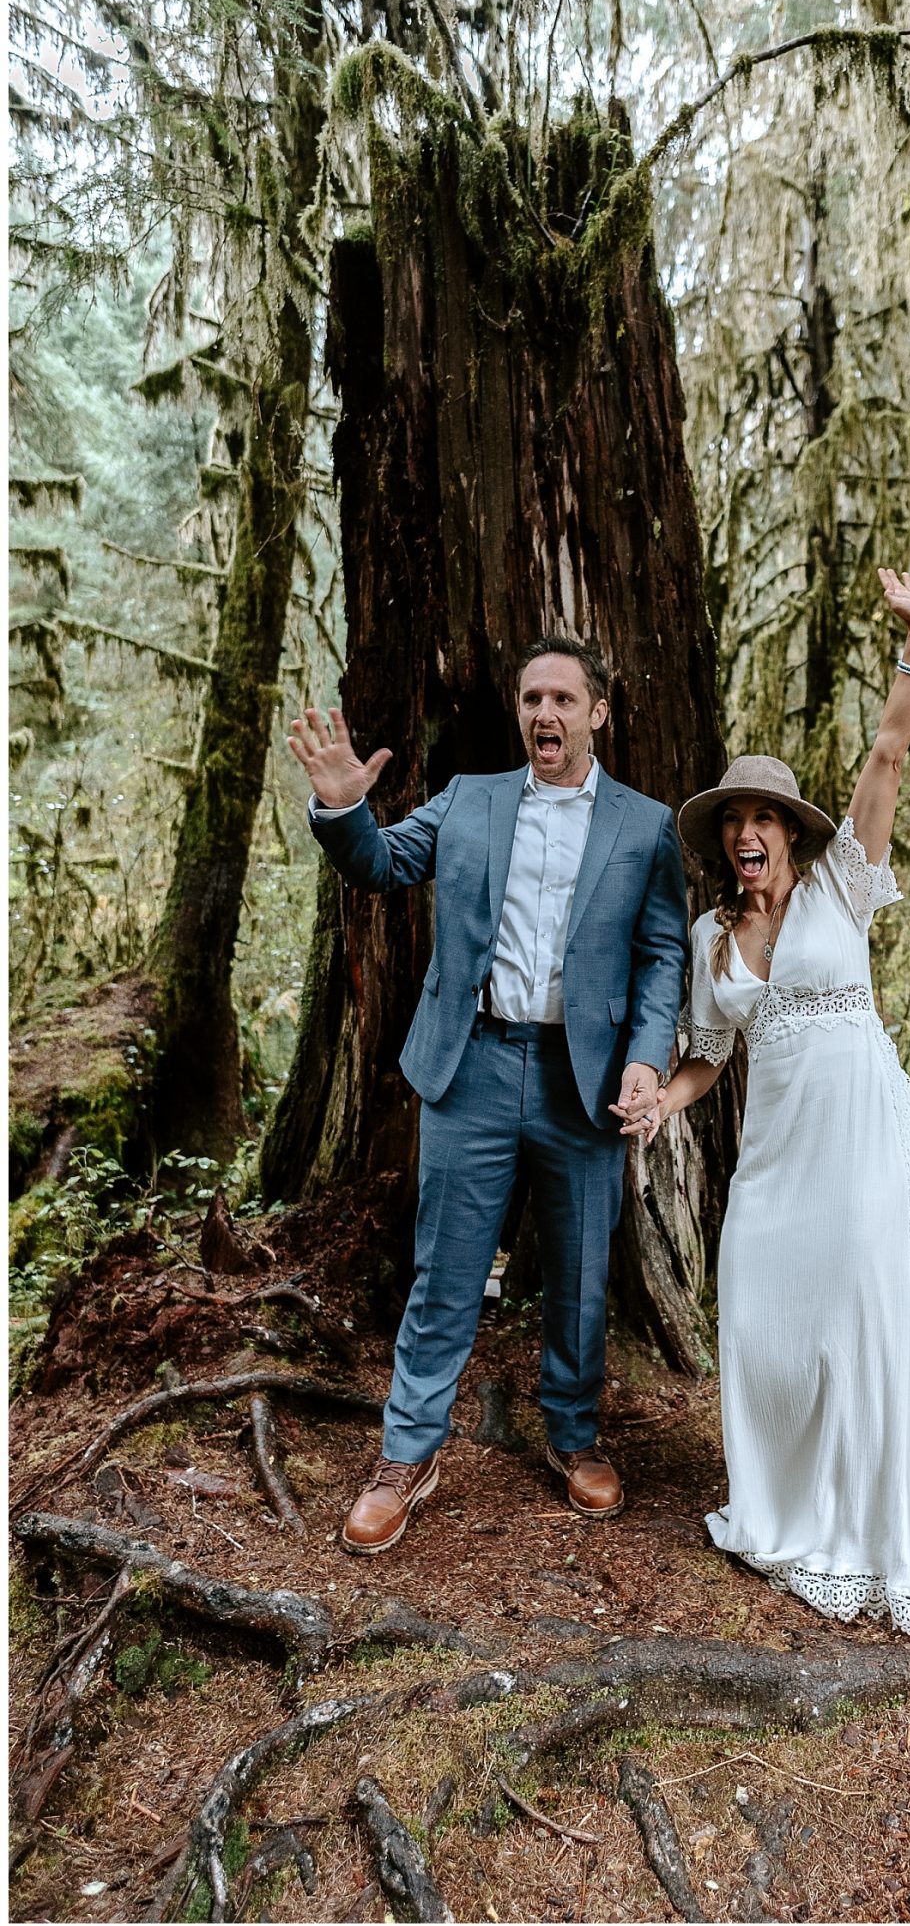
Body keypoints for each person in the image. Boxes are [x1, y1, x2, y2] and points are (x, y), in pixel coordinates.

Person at [617, 570, 910, 1637]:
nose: (749, 832)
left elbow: (886, 754)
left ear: (791, 832)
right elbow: (707, 1058)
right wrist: (659, 1103)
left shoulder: (840, 884)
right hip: (772, 1162)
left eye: (766, 815)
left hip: (860, 1140)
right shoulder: (706, 940)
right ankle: (788, 1512)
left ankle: (878, 1537)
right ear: (722, 838)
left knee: (862, 1325)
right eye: (736, 819)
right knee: (769, 1327)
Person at [288, 635, 688, 1552]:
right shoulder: (469, 800)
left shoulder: (645, 825)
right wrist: (341, 807)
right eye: (530, 698)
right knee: (446, 1272)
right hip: (469, 1070)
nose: (544, 714)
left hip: (582, 1084)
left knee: (582, 1278)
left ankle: (573, 1435)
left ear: (598, 713)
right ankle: (406, 1455)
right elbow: (381, 864)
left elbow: (661, 952)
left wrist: (644, 1057)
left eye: (562, 699)